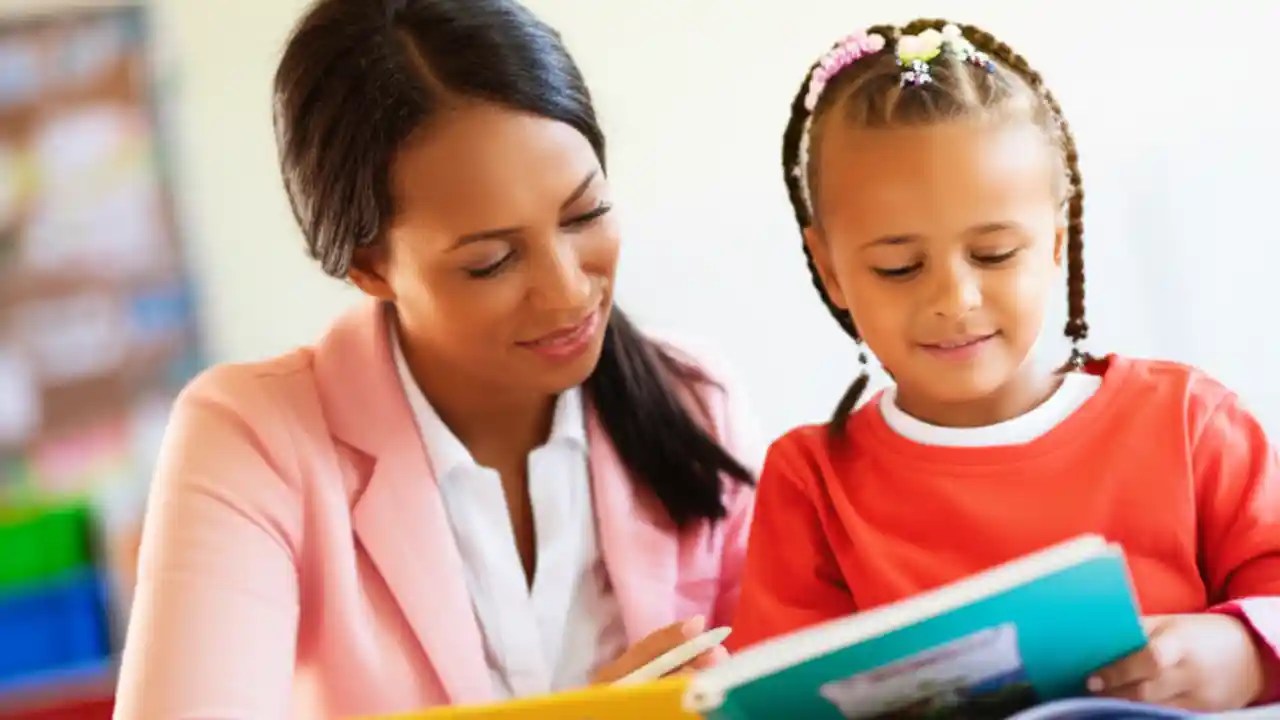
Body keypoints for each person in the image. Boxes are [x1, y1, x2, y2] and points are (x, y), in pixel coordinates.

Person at [112, 0, 759, 717]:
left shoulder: (696, 402)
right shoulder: (254, 440)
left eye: (585, 215)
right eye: (491, 261)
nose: (568, 290)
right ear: (370, 268)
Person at [729, 19, 1280, 714]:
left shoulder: (1187, 420)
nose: (955, 300)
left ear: (1055, 240)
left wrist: (1247, 651)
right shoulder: (812, 486)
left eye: (993, 254)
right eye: (899, 267)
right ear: (830, 269)